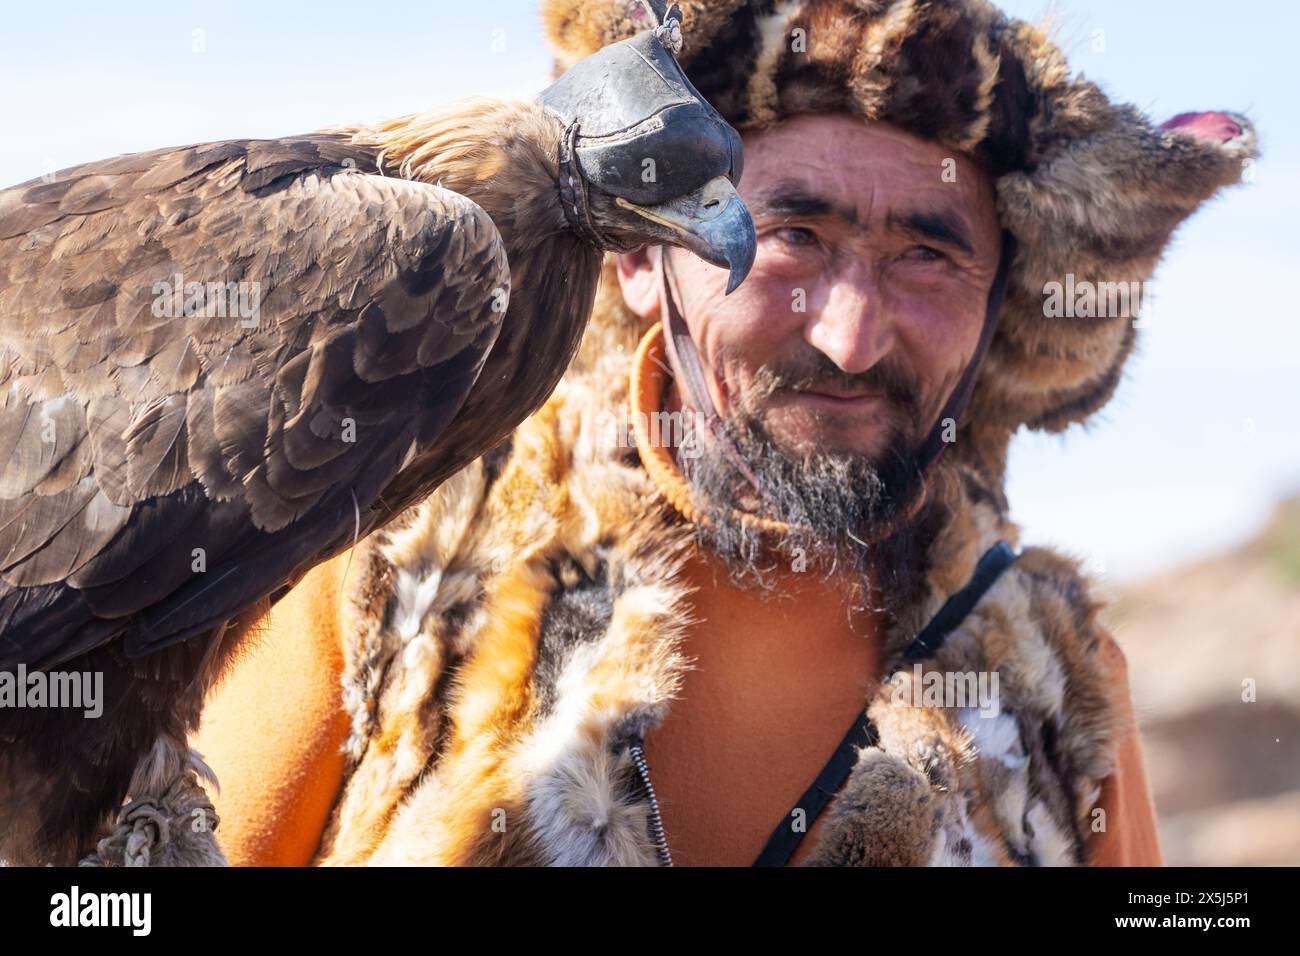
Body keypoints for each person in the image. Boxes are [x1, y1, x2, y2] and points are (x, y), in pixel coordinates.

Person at [191, 0, 1255, 866]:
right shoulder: (390, 576)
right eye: (792, 235)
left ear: (997, 308)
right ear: (640, 256)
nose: (850, 337)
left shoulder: (1050, 681)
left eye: (927, 257)